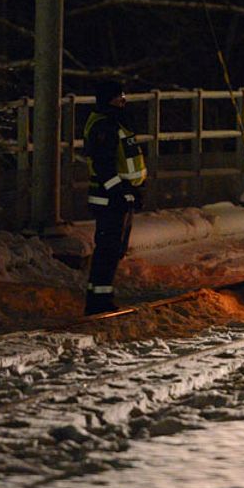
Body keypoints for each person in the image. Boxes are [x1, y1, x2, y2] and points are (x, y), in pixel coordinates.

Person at [83, 80, 146, 315]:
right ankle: (98, 301)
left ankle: (101, 296)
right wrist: (119, 192)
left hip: (118, 195)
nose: (123, 100)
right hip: (108, 198)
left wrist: (132, 190)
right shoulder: (105, 125)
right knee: (108, 249)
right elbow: (103, 164)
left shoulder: (115, 123)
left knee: (112, 249)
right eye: (119, 96)